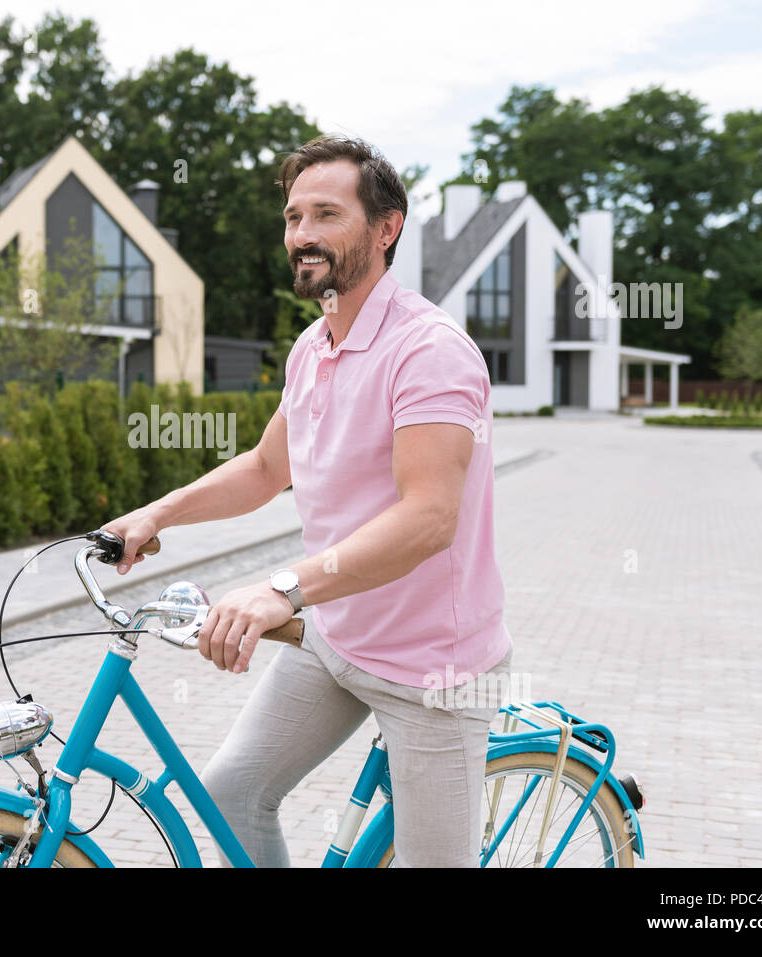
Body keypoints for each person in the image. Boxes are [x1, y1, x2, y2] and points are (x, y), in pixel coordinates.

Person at [99, 134, 514, 867]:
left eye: (326, 213)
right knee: (229, 795)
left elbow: (429, 518)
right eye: (293, 217)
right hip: (340, 638)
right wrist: (156, 513)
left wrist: (281, 588)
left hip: (433, 670)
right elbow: (265, 468)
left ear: (386, 229)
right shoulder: (313, 347)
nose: (302, 234)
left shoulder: (430, 351)